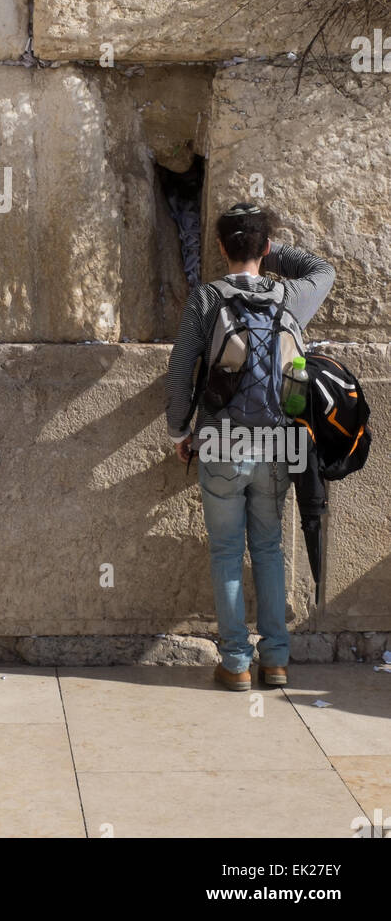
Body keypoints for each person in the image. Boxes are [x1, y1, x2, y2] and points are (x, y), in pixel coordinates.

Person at [166, 202, 335, 691]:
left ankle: (236, 662)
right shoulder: (294, 296)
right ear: (263, 247)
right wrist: (269, 247)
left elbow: (181, 372)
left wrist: (181, 432)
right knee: (268, 546)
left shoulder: (207, 299)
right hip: (278, 441)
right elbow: (323, 269)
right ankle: (276, 660)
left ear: (220, 247)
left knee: (225, 551)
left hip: (221, 441)